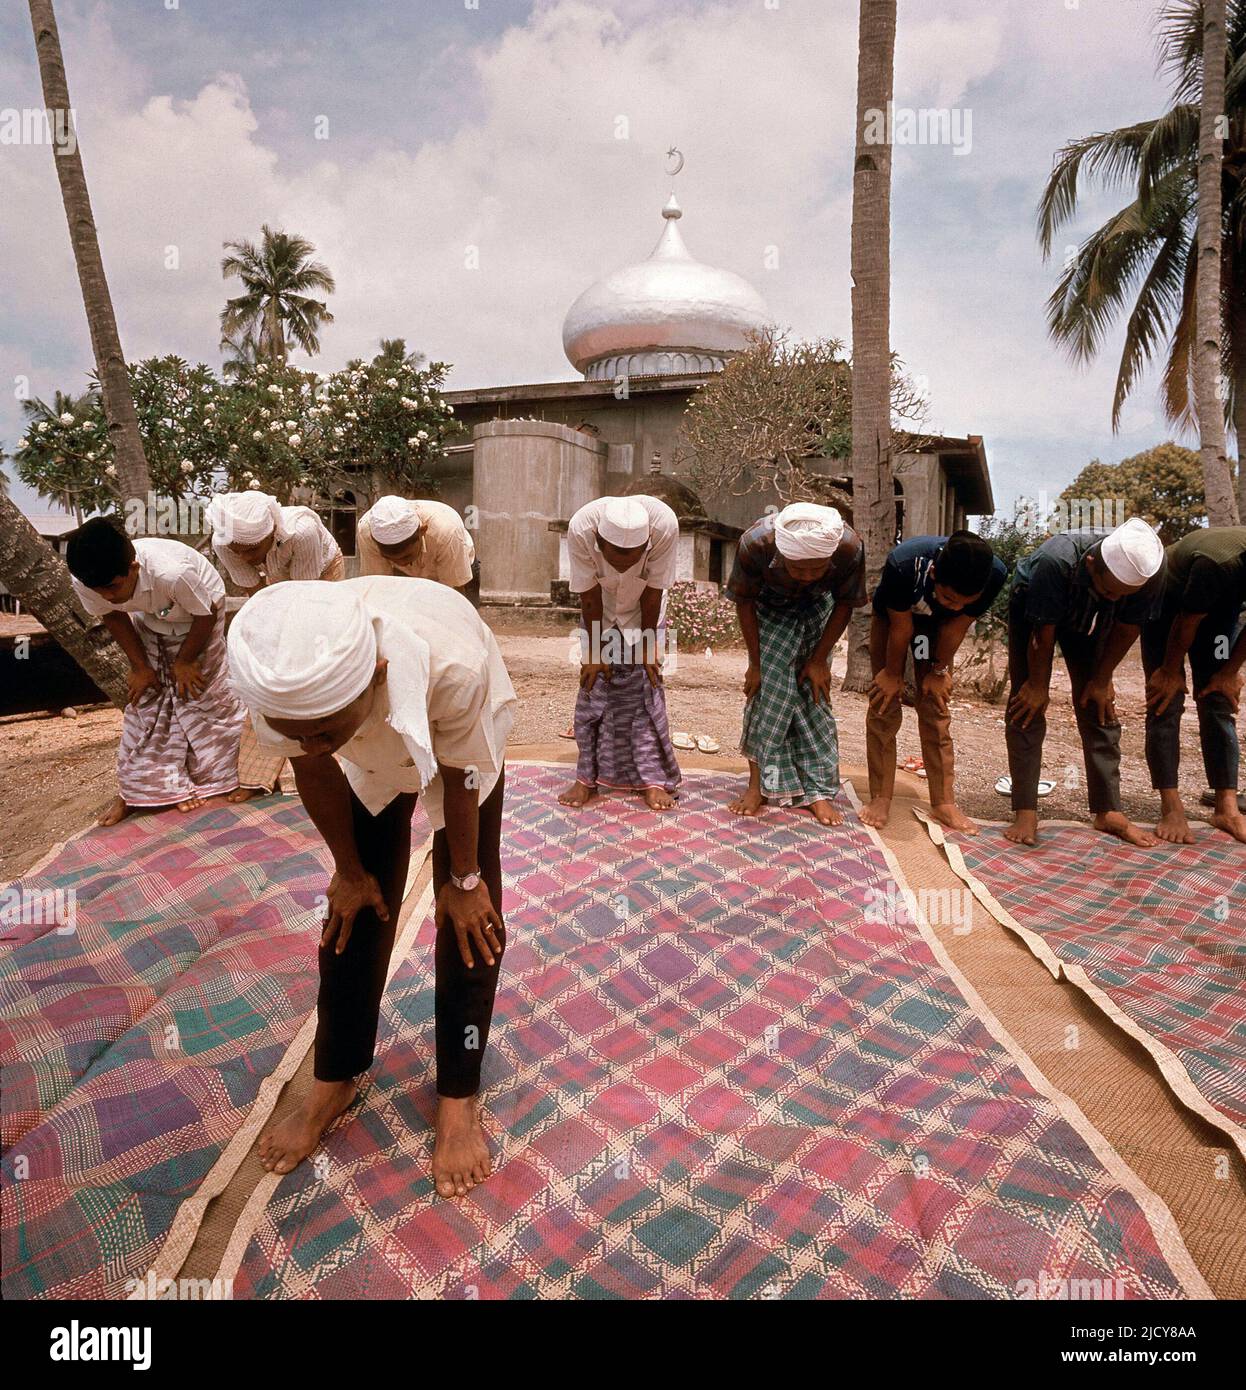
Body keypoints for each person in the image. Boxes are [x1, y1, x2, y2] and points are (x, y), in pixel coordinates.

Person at [227, 576, 516, 1198]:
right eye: (296, 730)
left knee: (472, 919)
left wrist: (463, 879)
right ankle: (335, 1076)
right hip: (368, 753)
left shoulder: (454, 672)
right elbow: (310, 761)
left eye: (326, 730)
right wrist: (349, 871)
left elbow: (462, 772)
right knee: (353, 909)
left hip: (458, 747)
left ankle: (458, 1095)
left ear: (378, 674)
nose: (309, 742)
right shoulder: (276, 674)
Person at [66, 519, 245, 826]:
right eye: (99, 590)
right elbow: (112, 616)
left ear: (134, 568)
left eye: (113, 587)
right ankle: (148, 788)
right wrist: (141, 667)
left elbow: (206, 613)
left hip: (202, 611)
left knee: (203, 695)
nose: (107, 596)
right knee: (148, 702)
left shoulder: (173, 573)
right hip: (153, 618)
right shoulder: (87, 580)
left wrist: (185, 661)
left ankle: (225, 777)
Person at [1004, 517, 1166, 847]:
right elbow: (1041, 634)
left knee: (1099, 702)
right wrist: (1037, 685)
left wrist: (1102, 678)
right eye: (1109, 590)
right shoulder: (1056, 560)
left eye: (1121, 595)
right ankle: (1025, 809)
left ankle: (1108, 810)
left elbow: (1127, 627)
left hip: (1090, 615)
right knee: (1027, 704)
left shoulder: (1149, 571)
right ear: (1091, 562)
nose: (1112, 598)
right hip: (1034, 608)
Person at [725, 502, 866, 826]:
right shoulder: (755, 544)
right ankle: (759, 784)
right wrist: (755, 664)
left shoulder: (849, 548)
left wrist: (819, 661)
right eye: (797, 568)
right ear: (780, 552)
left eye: (816, 569)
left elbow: (845, 604)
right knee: (769, 699)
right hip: (768, 612)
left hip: (820, 610)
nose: (806, 576)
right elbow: (744, 603)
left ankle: (819, 791)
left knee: (815, 700)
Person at [861, 531, 1008, 832]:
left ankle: (943, 802)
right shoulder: (904, 564)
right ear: (933, 573)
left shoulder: (993, 574)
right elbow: (901, 629)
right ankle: (880, 795)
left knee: (935, 707)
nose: (955, 605)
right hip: (893, 622)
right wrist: (891, 674)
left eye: (964, 601)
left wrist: (938, 671)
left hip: (932, 633)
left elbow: (957, 624)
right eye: (948, 597)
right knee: (884, 701)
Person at [207, 491, 345, 801]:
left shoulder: (303, 532)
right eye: (236, 551)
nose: (242, 557)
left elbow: (304, 599)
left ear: (272, 533)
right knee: (266, 669)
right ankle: (257, 773)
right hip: (277, 583)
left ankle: (326, 759)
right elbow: (259, 595)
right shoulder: (223, 542)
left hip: (321, 576)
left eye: (251, 549)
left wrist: (292, 646)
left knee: (312, 662)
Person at [558, 495, 681, 811]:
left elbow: (653, 594)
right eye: (617, 557)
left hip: (647, 613)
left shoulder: (664, 525)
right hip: (600, 609)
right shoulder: (582, 527)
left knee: (646, 690)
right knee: (593, 690)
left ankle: (653, 780)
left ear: (648, 543)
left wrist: (647, 645)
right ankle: (586, 777)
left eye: (633, 556)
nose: (625, 563)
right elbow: (589, 597)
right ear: (599, 541)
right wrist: (596, 651)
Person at [1142, 526, 1246, 844]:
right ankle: (1171, 805)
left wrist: (1229, 672)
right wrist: (1170, 671)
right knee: (1166, 697)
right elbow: (1187, 620)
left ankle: (1226, 806)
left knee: (1218, 697)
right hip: (1166, 603)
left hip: (1219, 613)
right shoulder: (1219, 560)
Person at [355, 494, 475, 588]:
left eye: (406, 556)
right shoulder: (367, 532)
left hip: (458, 568)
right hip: (404, 575)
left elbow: (455, 591)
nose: (401, 563)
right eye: (390, 558)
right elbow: (379, 587)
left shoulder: (446, 531)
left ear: (422, 532)